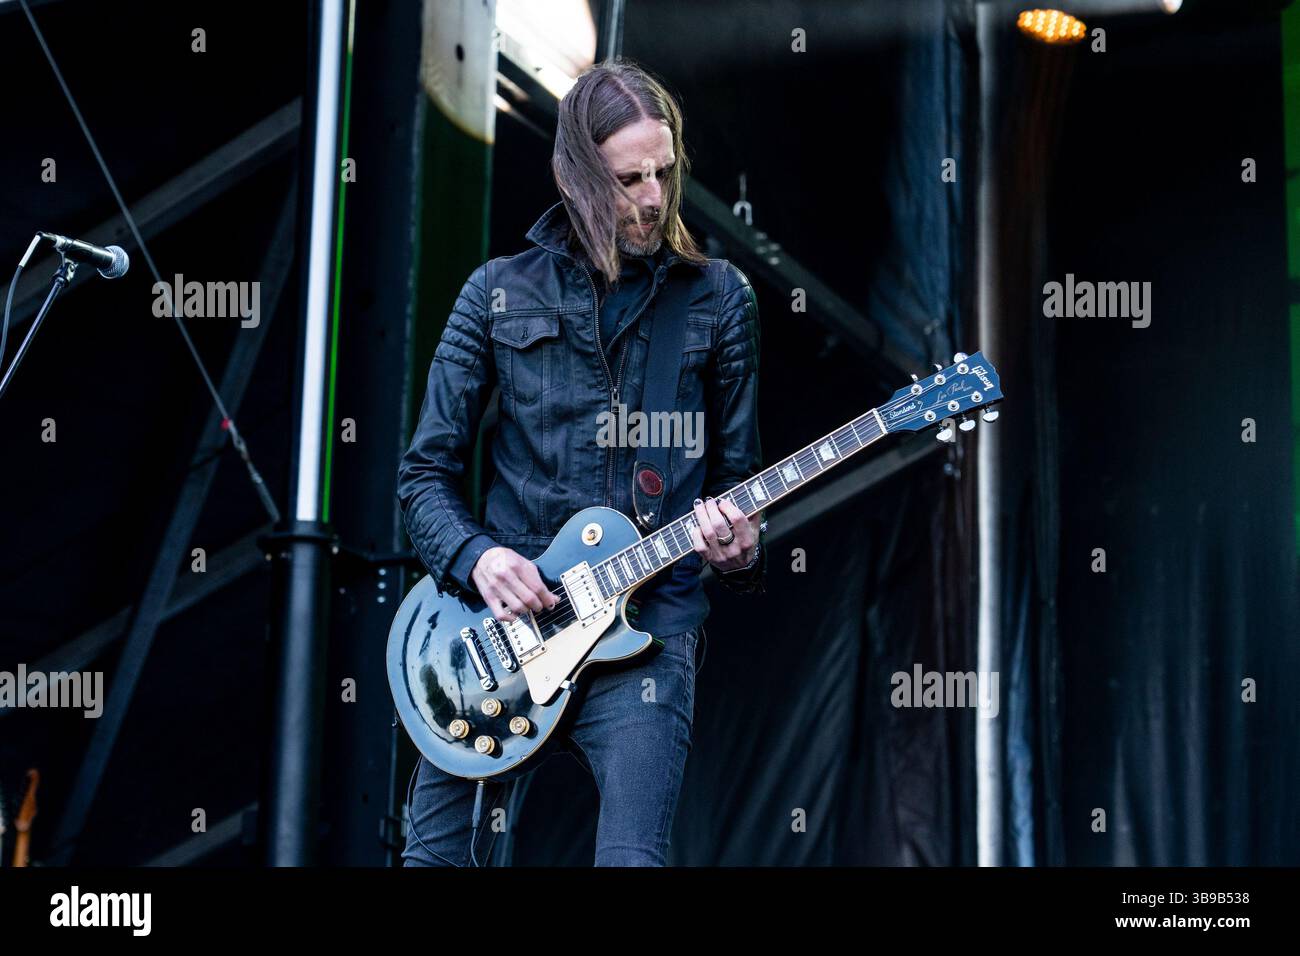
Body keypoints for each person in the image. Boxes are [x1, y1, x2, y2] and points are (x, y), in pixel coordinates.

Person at [396, 59, 766, 866]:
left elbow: (738, 484)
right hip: (500, 631)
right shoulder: (495, 292)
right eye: (630, 179)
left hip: (648, 630)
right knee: (431, 860)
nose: (653, 197)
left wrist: (740, 549)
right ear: (576, 177)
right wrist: (479, 557)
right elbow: (422, 476)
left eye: (664, 171)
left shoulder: (718, 299)